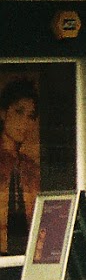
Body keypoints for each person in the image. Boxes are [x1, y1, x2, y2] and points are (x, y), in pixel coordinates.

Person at [1, 76, 41, 256]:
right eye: (19, 112)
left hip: (26, 254)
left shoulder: (31, 169)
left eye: (30, 116)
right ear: (4, 113)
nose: (24, 122)